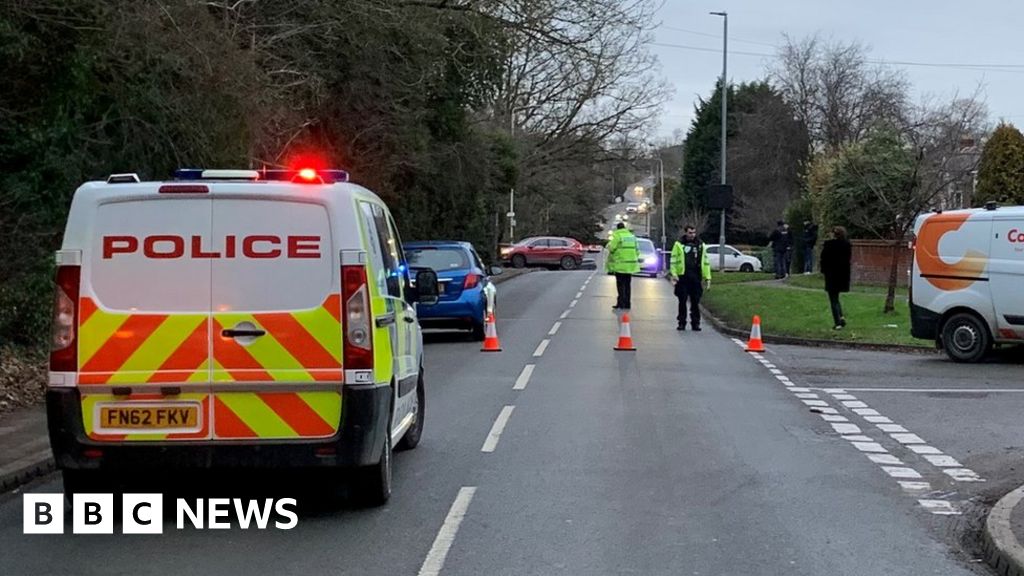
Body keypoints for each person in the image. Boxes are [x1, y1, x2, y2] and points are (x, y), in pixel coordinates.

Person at [670, 225, 712, 331]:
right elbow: (674, 260)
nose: (692, 235)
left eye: (694, 233)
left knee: (695, 302)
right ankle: (682, 322)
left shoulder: (700, 245)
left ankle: (695, 323)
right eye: (690, 233)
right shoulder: (679, 244)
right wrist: (674, 274)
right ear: (685, 233)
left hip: (696, 277)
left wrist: (707, 277)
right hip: (682, 277)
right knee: (682, 301)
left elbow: (705, 263)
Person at [820, 226, 852, 330]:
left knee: (833, 299)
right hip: (842, 275)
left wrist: (823, 271)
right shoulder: (847, 245)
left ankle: (837, 322)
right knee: (836, 298)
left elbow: (823, 259)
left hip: (831, 274)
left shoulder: (829, 245)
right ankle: (841, 317)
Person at [606, 222, 640, 309]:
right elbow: (637, 251)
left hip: (620, 265)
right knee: (627, 285)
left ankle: (621, 303)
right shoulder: (632, 237)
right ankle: (627, 304)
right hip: (630, 266)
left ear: (618, 229)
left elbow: (612, 248)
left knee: (620, 285)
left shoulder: (617, 236)